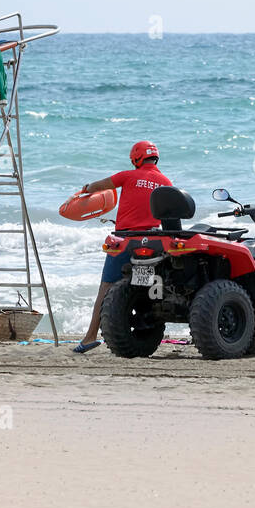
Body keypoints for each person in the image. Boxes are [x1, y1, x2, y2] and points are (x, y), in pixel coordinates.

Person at [72, 141, 172, 353]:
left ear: (136, 158)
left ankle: (90, 337)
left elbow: (100, 186)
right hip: (153, 242)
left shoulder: (127, 176)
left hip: (126, 241)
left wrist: (86, 188)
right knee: (146, 287)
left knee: (106, 287)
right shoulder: (166, 182)